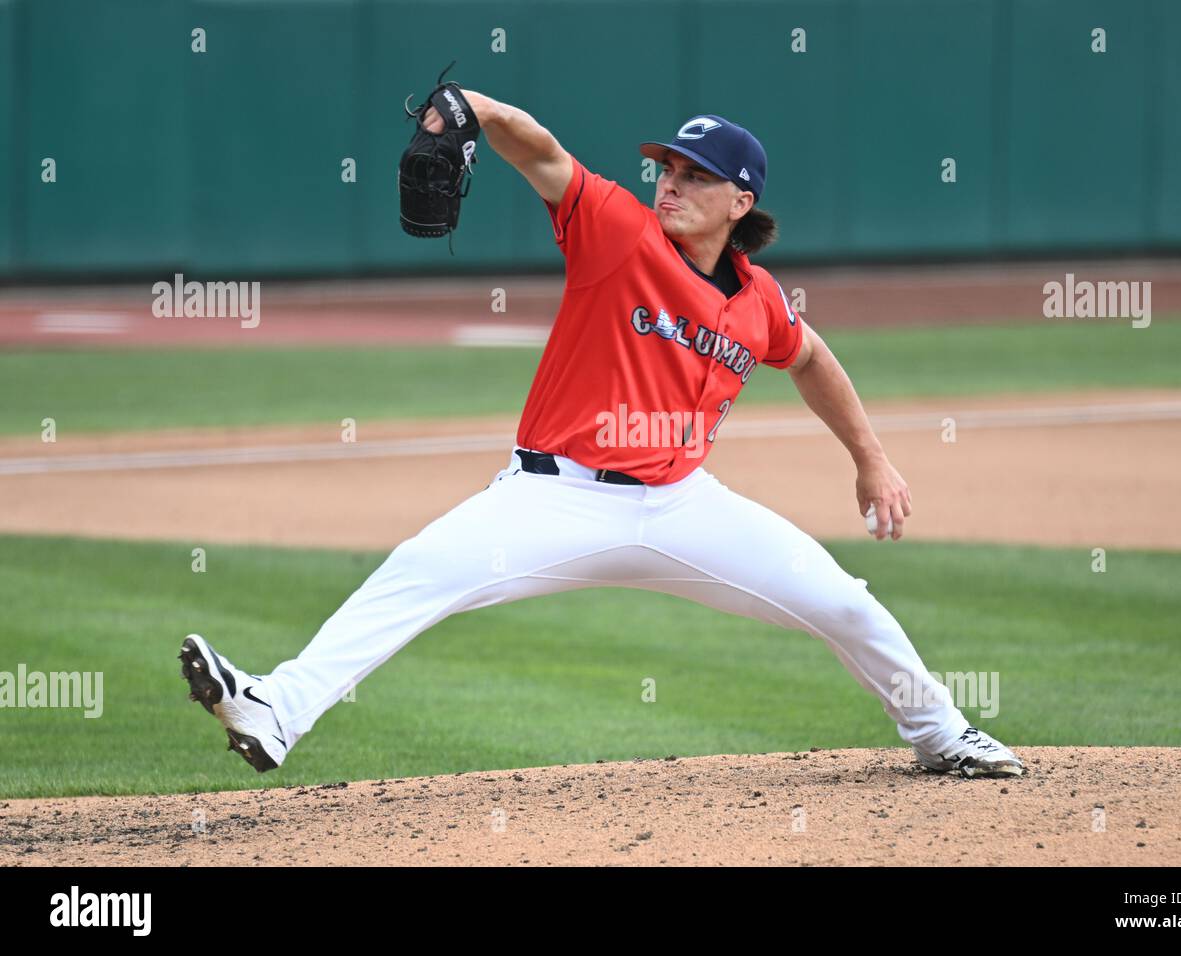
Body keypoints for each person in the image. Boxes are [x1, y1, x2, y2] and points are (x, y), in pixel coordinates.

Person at [179, 93, 1024, 781]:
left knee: (843, 601)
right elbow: (541, 150)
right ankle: (275, 710)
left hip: (684, 508)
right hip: (554, 496)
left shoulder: (758, 296)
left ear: (741, 201)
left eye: (697, 177)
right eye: (667, 168)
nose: (670, 184)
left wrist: (871, 459)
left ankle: (943, 734)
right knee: (419, 572)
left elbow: (808, 357)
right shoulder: (618, 233)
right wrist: (467, 107)